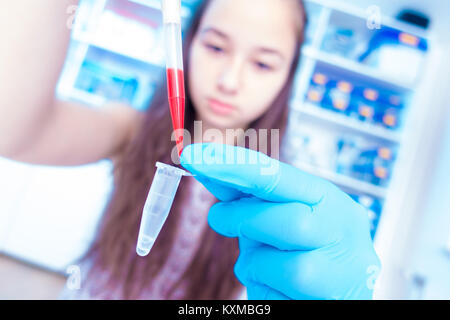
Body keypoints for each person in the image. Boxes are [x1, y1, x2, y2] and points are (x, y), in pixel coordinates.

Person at [0, 0, 380, 300]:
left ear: (288, 77)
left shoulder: (284, 193)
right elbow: (13, 131)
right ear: (188, 41)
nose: (230, 81)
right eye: (215, 46)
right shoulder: (132, 132)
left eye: (263, 63)